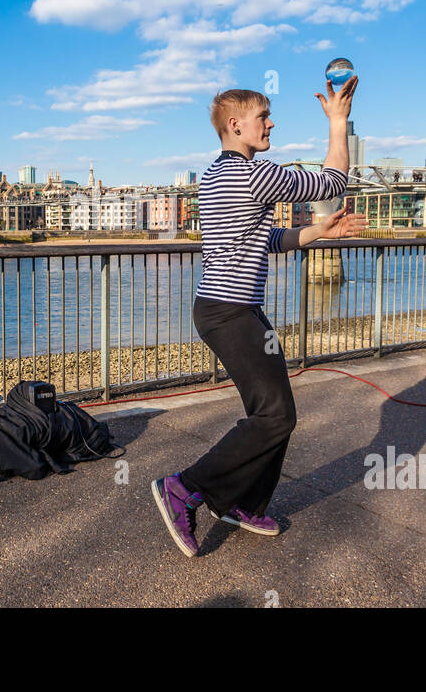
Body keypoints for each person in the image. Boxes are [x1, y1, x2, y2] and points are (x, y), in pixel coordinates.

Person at [151, 79, 368, 558]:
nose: (271, 124)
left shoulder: (214, 176)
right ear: (236, 125)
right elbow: (332, 183)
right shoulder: (253, 174)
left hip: (229, 309)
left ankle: (242, 503)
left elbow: (265, 237)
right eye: (263, 117)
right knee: (275, 416)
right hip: (231, 313)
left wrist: (317, 232)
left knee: (270, 415)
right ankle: (185, 487)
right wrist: (337, 123)